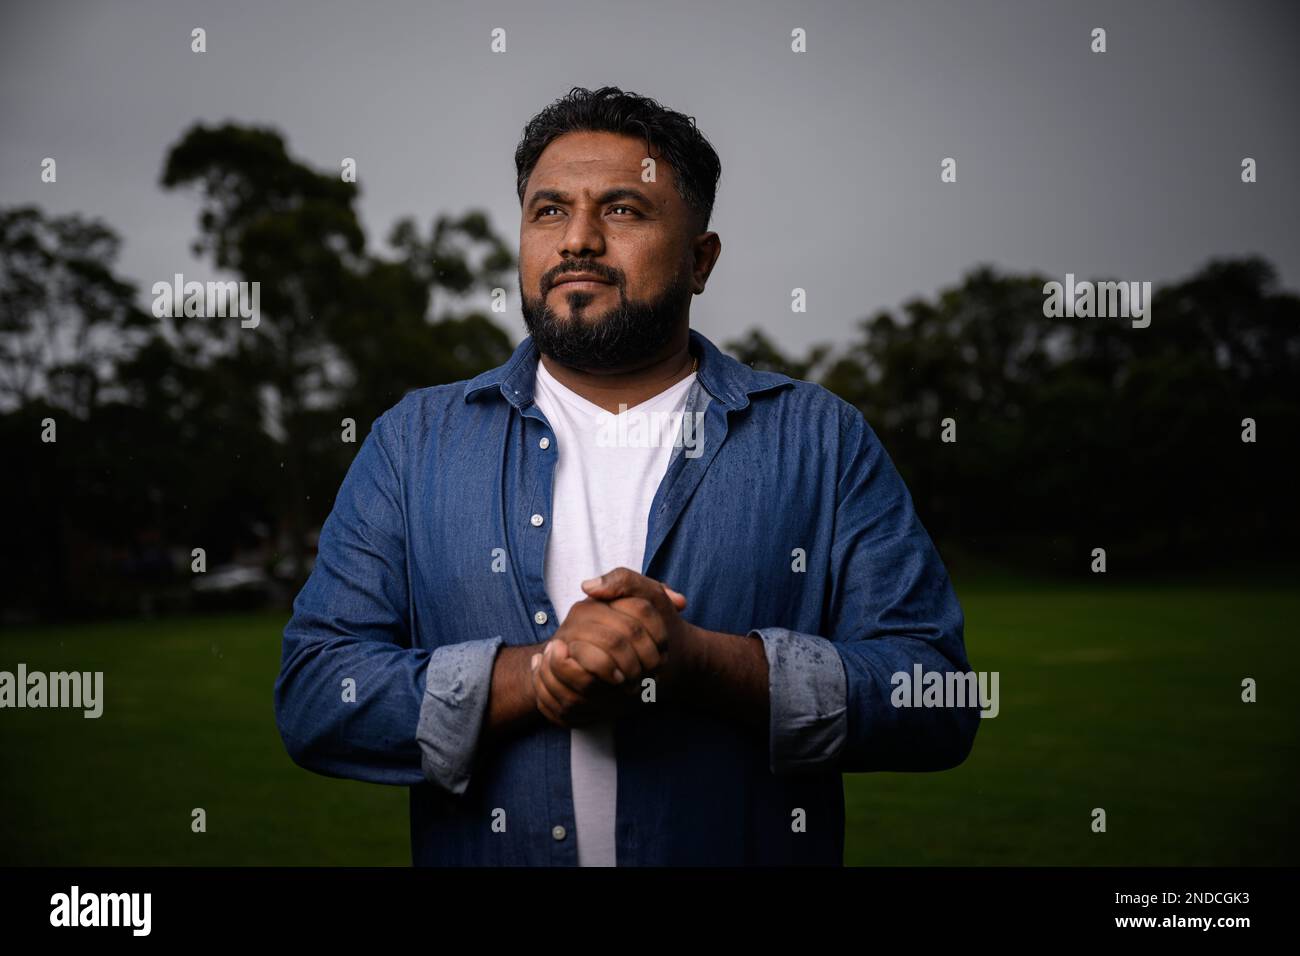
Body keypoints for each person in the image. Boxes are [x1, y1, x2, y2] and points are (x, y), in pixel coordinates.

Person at [273, 86, 979, 866]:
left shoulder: (821, 439)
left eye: (621, 211)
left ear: (700, 259)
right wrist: (536, 677)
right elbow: (316, 694)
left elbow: (936, 697)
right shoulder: (414, 443)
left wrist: (704, 663)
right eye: (548, 212)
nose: (576, 240)